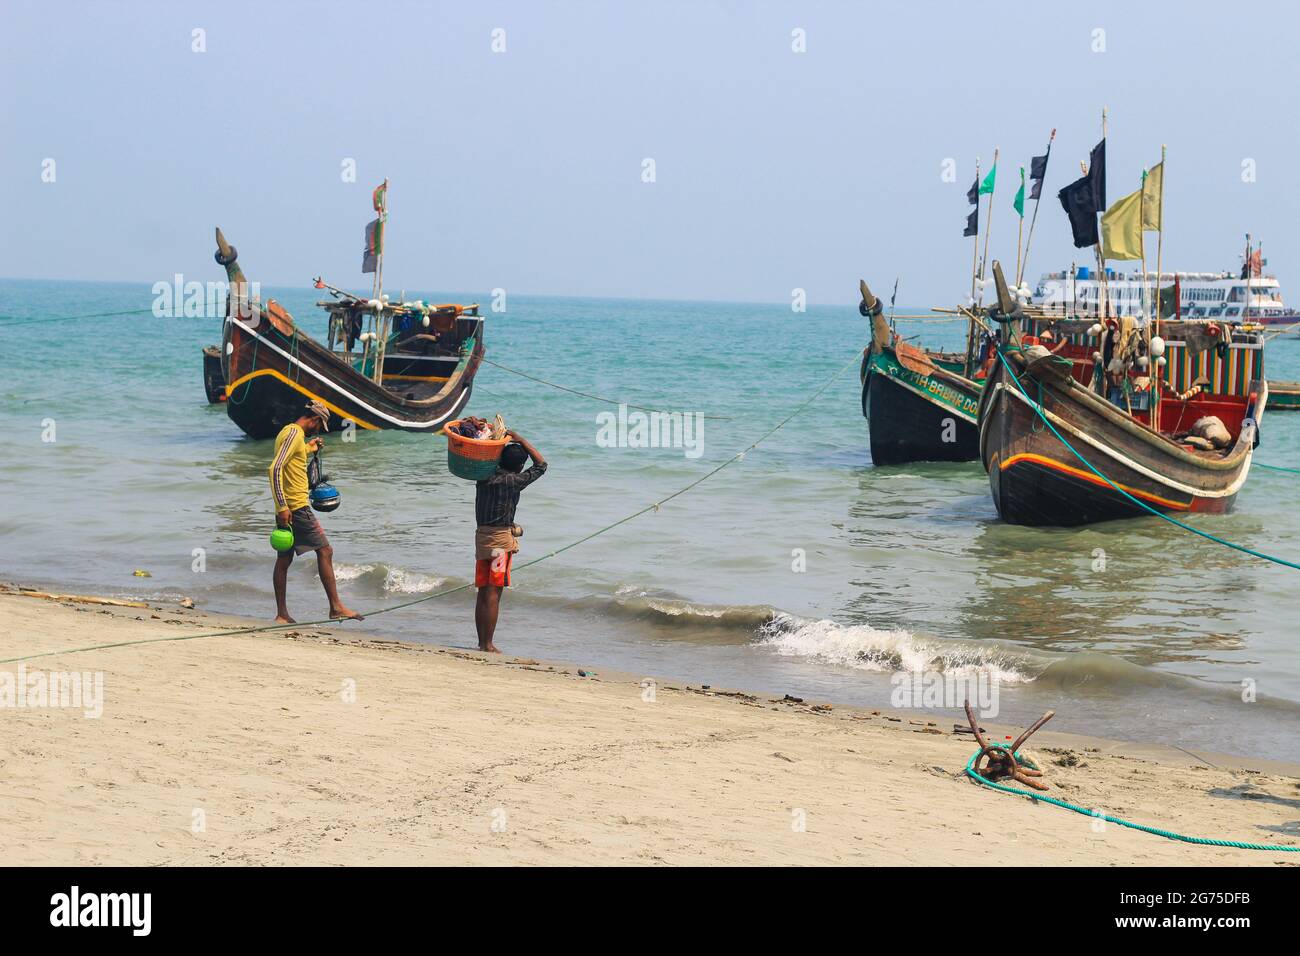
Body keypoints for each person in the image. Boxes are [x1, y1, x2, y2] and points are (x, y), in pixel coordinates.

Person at [270, 401, 363, 624]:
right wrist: (282, 505)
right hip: (295, 508)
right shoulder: (294, 434)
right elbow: (275, 468)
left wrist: (310, 448)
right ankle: (336, 607)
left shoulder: (290, 433)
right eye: (319, 425)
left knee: (284, 559)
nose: (318, 430)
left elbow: (293, 458)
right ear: (313, 419)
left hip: (289, 509)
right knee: (325, 550)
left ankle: (282, 614)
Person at [474, 430, 547, 652]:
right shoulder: (514, 481)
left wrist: (497, 442)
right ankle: (488, 644)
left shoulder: (484, 477)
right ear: (518, 467)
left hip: (481, 540)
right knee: (494, 592)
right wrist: (523, 440)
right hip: (499, 545)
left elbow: (487, 459)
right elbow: (541, 466)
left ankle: (481, 642)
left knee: (483, 591)